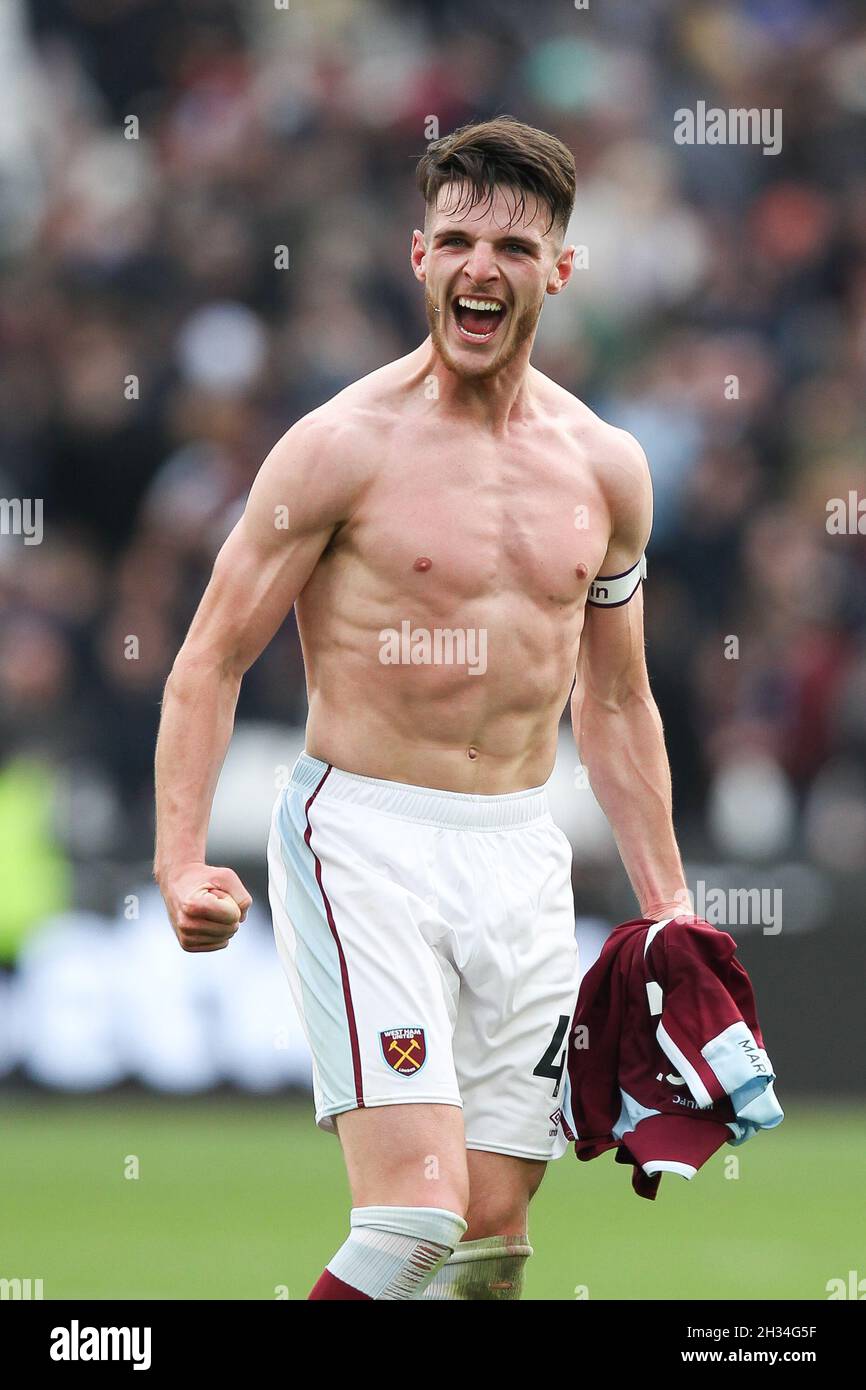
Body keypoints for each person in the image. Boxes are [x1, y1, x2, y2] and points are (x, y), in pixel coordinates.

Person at [154, 116, 689, 1301]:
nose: (477, 268)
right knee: (411, 1219)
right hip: (364, 839)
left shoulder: (607, 470)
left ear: (558, 268)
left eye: (508, 244)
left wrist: (670, 912)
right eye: (453, 240)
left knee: (491, 1246)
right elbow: (207, 658)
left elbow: (614, 700)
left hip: (519, 850)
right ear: (417, 257)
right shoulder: (335, 448)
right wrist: (179, 860)